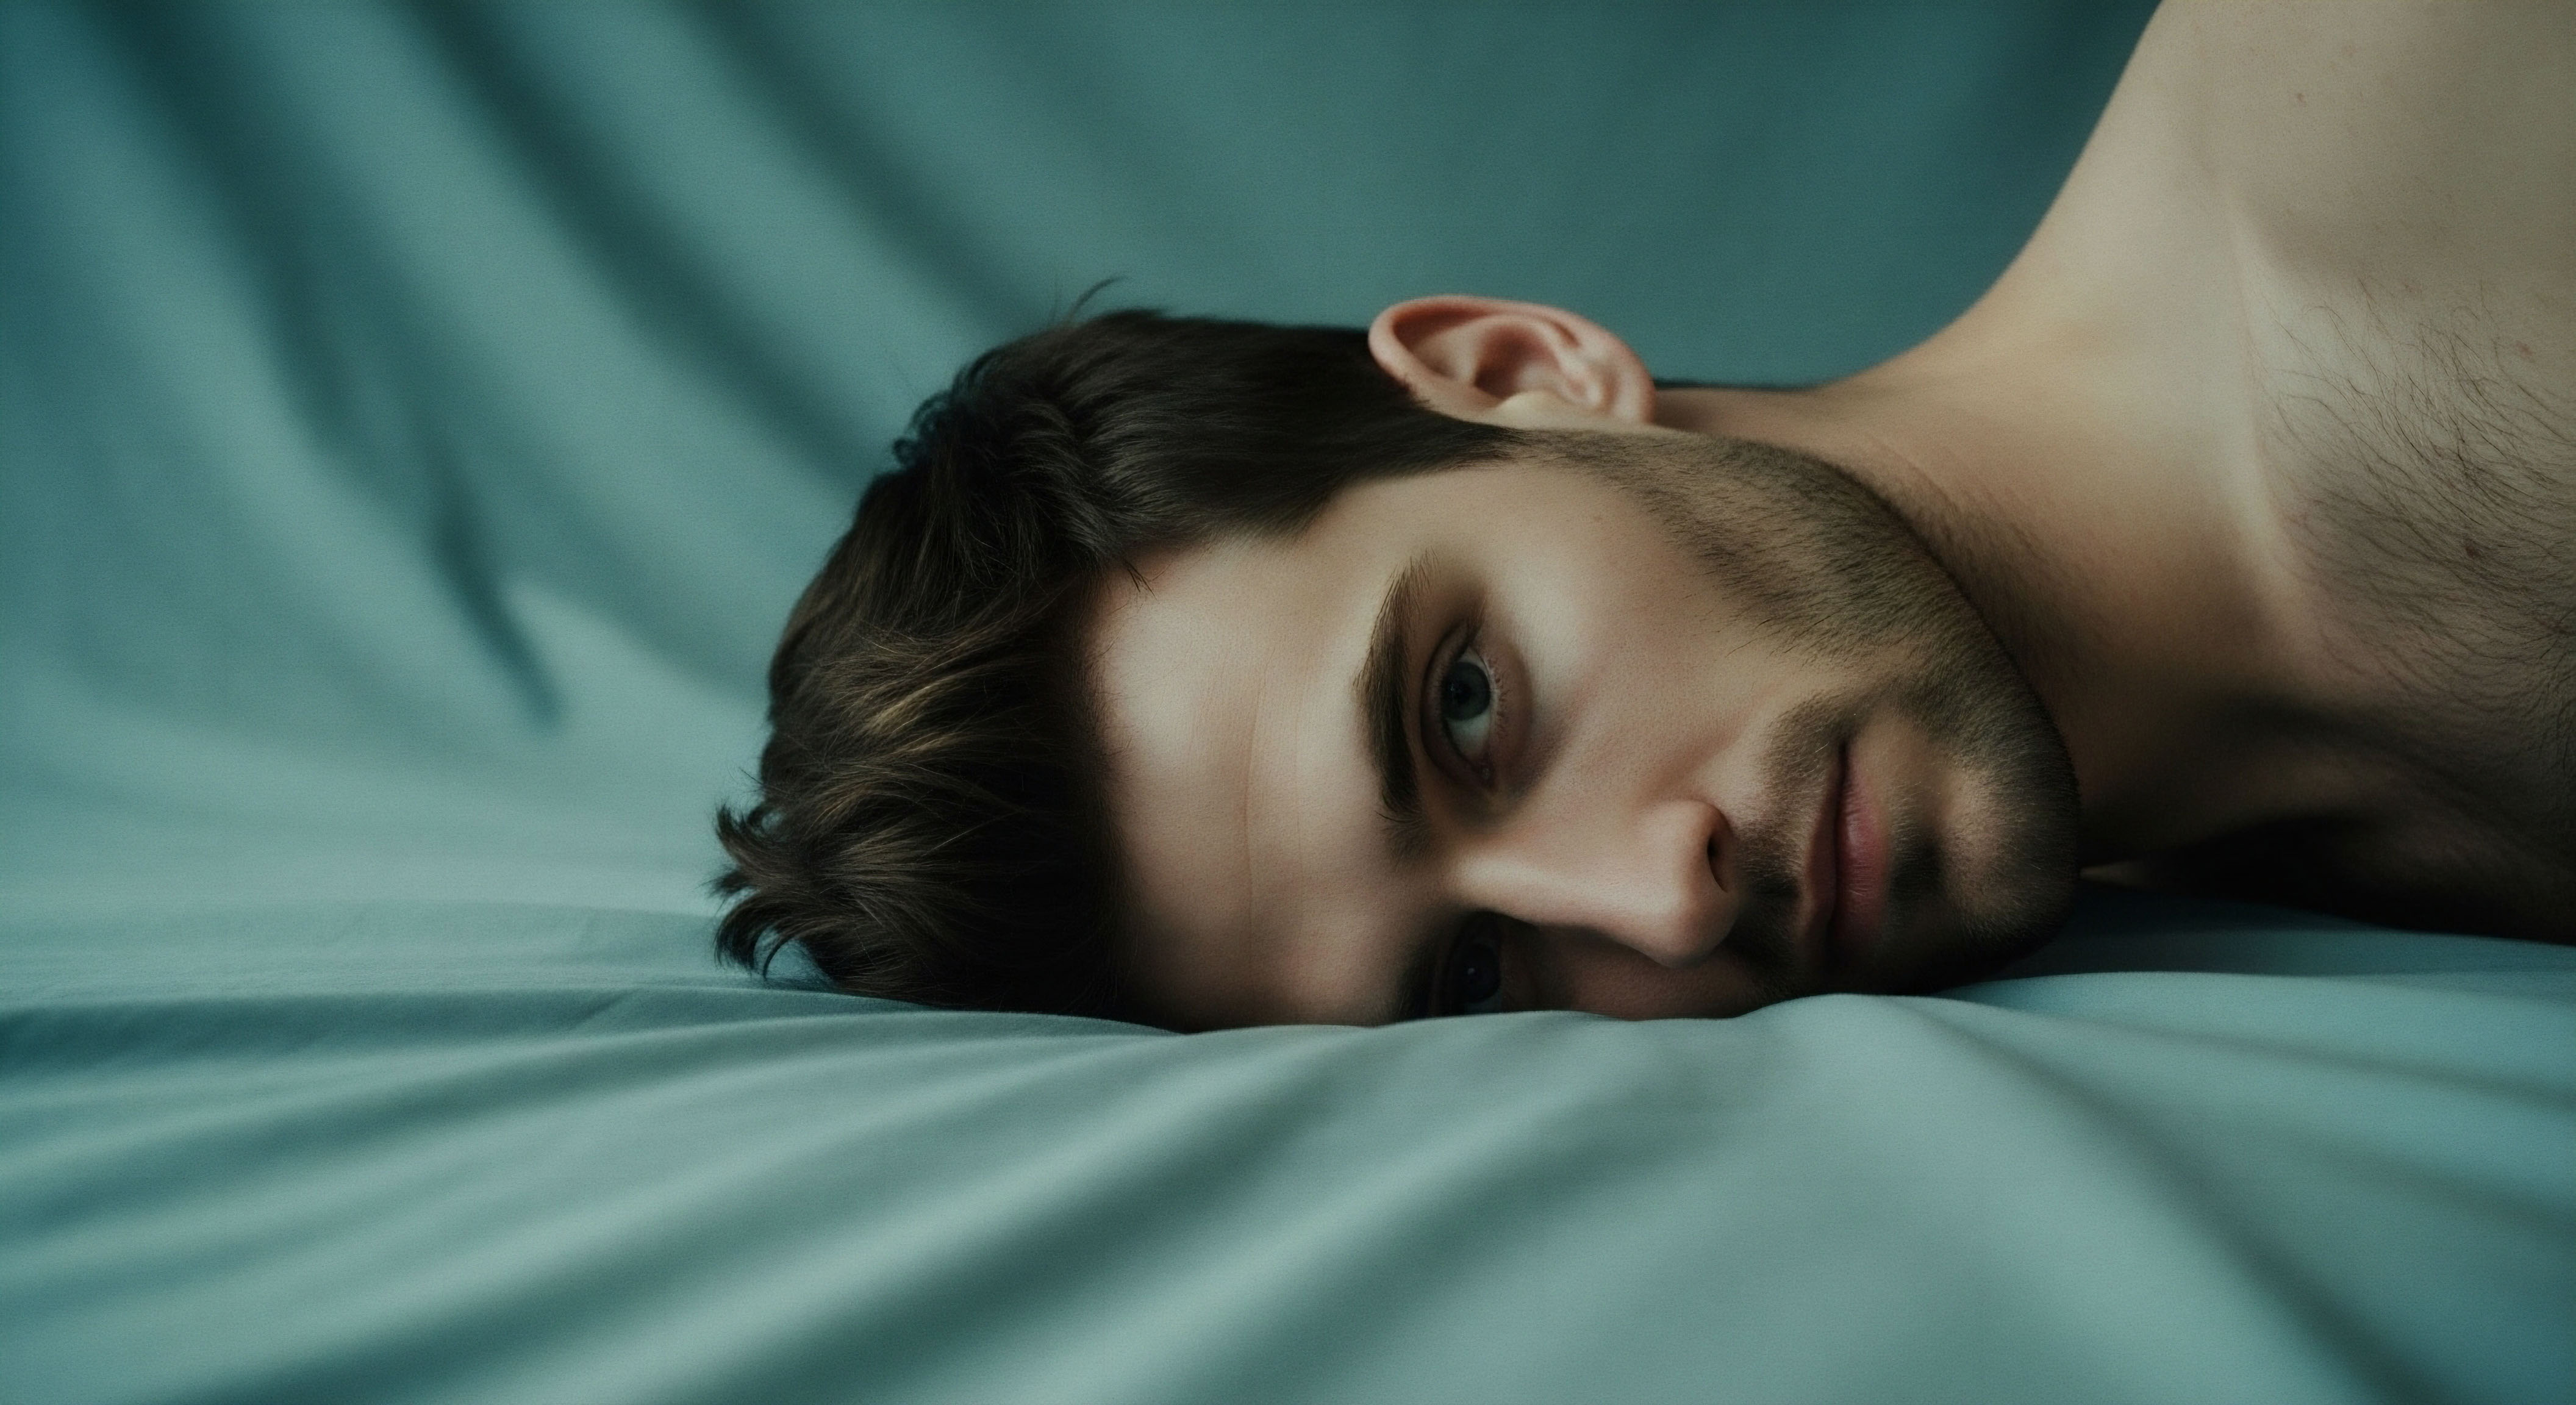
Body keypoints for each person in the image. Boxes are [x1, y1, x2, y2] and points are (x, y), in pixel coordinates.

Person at [714, 1, 2574, 1028]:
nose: (1653, 904)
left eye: (1463, 707)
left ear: (1521, 371)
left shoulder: (2432, 106)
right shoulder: (2232, 877)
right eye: (1466, 977)